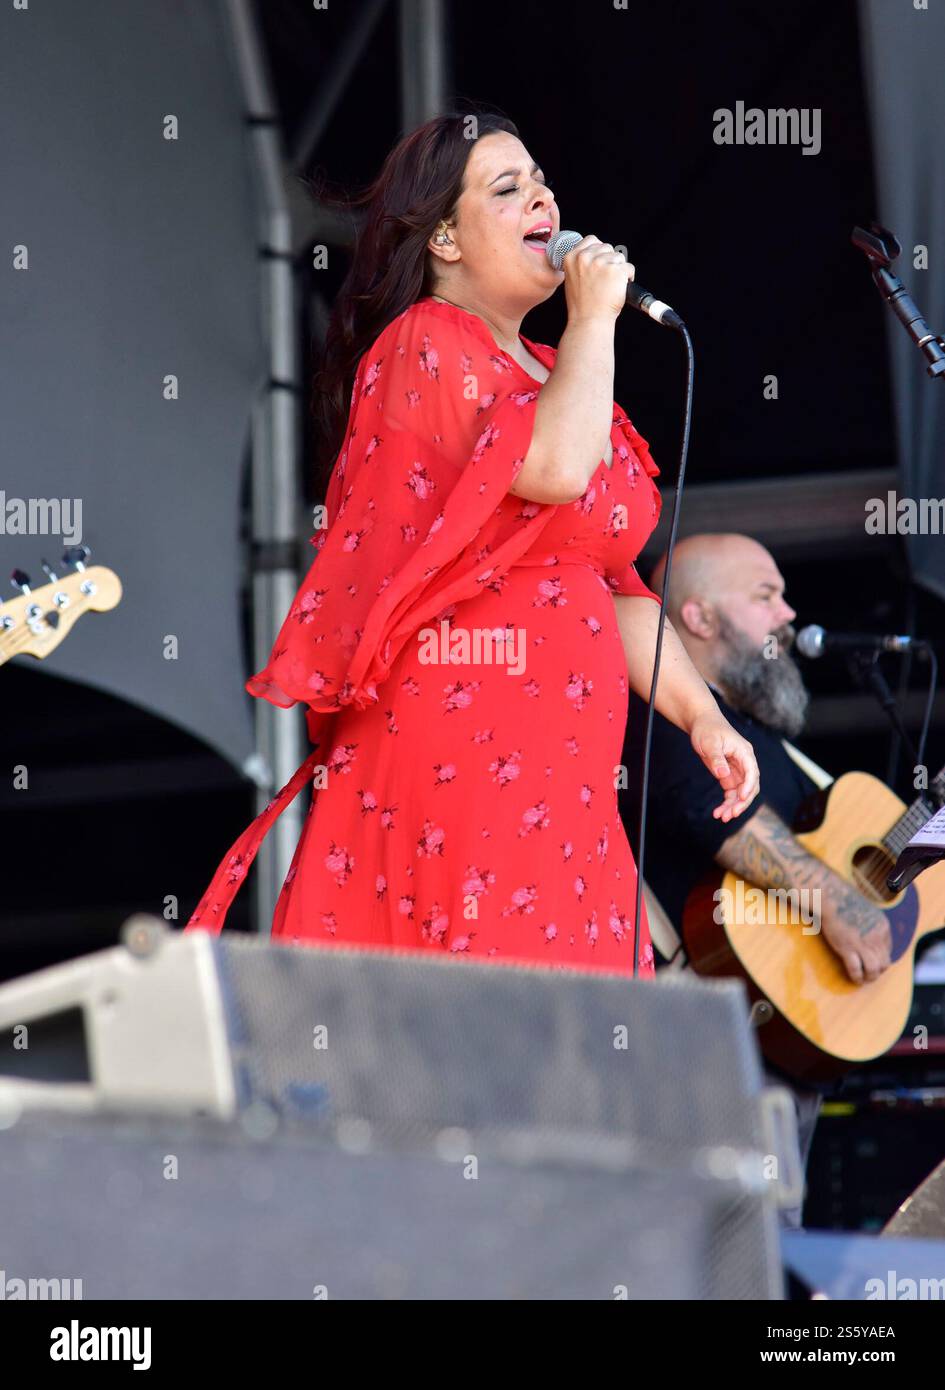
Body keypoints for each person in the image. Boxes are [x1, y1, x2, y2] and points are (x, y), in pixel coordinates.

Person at [185, 110, 759, 975]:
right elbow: (555, 470)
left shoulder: (559, 371)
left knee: (574, 1015)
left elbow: (611, 583)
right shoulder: (425, 342)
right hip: (467, 751)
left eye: (541, 182)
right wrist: (593, 319)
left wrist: (701, 717)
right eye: (507, 188)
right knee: (483, 1003)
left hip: (567, 779)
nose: (542, 198)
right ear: (444, 239)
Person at [620, 532, 893, 1223]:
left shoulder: (757, 737)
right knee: (734, 1250)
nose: (788, 615)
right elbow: (711, 812)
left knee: (770, 1245)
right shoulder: (658, 714)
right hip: (706, 1040)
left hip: (777, 1037)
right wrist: (837, 904)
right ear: (699, 617)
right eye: (765, 596)